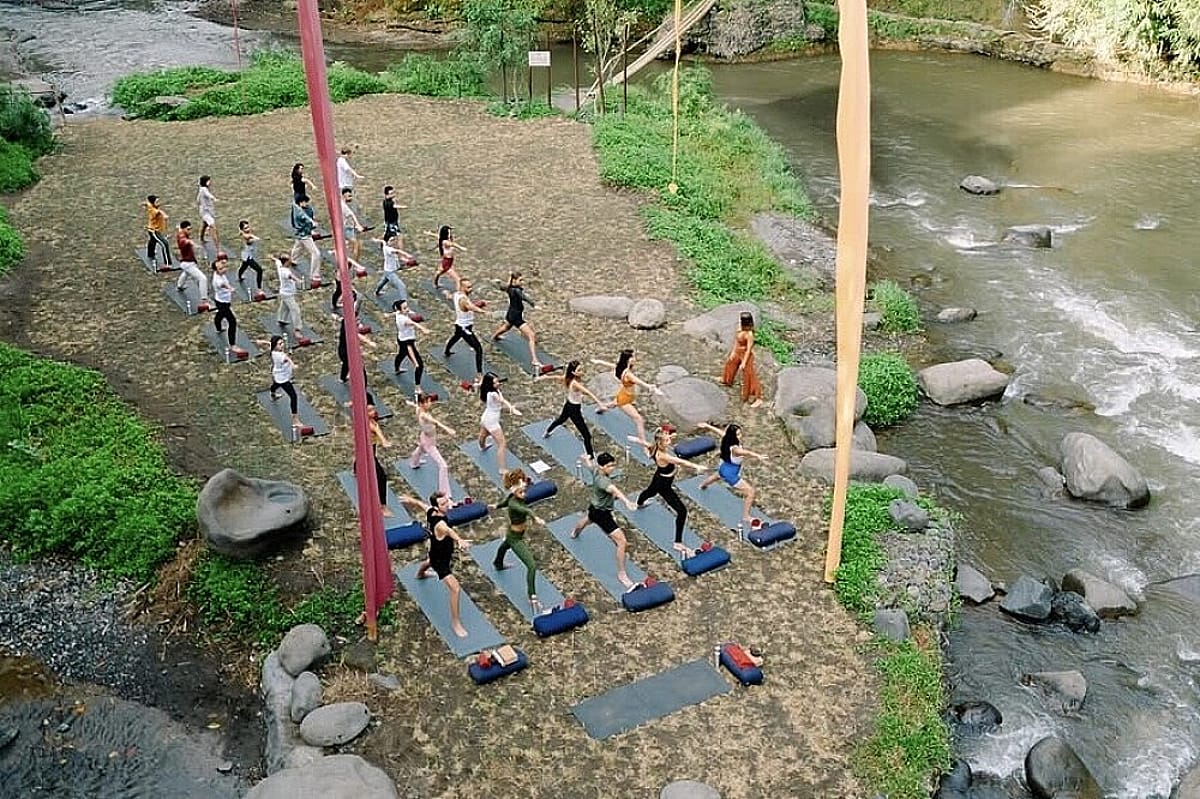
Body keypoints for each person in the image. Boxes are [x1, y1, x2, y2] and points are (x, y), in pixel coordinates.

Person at [401, 492, 473, 638]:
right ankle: (456, 622)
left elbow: (422, 505)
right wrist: (459, 540)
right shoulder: (440, 524)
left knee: (429, 561)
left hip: (436, 551)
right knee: (455, 589)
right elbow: (449, 530)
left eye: (447, 502)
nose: (447, 505)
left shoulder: (432, 511)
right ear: (437, 507)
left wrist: (411, 500)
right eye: (443, 504)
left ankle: (420, 574)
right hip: (442, 561)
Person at [632, 426, 706, 557]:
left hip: (659, 478)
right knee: (682, 512)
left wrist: (637, 440)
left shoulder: (654, 447)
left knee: (650, 492)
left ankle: (639, 503)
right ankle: (677, 542)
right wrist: (697, 466)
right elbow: (681, 461)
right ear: (661, 443)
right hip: (664, 485)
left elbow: (648, 444)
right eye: (667, 440)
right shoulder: (664, 456)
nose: (669, 441)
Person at [571, 452, 638, 589]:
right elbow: (615, 490)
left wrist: (585, 459)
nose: (612, 468)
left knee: (587, 519)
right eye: (609, 466)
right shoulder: (603, 481)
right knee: (621, 542)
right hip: (603, 514)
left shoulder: (596, 470)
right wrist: (627, 502)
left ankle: (574, 533)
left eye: (613, 465)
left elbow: (590, 466)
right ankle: (622, 574)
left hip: (595, 508)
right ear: (602, 467)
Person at [492, 470, 548, 615]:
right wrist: (536, 518)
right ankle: (532, 595)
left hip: (515, 533)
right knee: (532, 565)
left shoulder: (512, 496)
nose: (525, 494)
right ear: (515, 491)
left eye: (525, 491)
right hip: (515, 537)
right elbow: (525, 510)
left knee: (505, 546)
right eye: (521, 492)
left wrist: (494, 506)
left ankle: (497, 563)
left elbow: (504, 502)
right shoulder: (514, 504)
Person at [698, 422, 768, 529]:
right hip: (730, 474)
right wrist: (758, 456)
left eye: (740, 433)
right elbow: (746, 452)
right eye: (738, 434)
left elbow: (719, 432)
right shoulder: (735, 449)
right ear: (733, 436)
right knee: (751, 492)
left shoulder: (727, 439)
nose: (741, 436)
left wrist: (708, 426)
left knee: (718, 475)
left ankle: (702, 485)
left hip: (724, 467)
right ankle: (746, 516)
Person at [592, 349, 661, 452]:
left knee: (615, 403)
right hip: (625, 399)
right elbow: (642, 383)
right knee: (639, 420)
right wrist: (652, 388)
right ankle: (644, 446)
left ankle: (600, 409)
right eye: (633, 357)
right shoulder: (628, 374)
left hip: (624, 393)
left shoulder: (621, 368)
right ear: (628, 359)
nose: (635, 359)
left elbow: (611, 365)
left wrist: (599, 361)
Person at [540, 360, 607, 462]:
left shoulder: (569, 378)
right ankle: (590, 456)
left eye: (581, 369)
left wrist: (546, 377)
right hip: (574, 410)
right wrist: (600, 403)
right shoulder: (575, 383)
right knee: (586, 435)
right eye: (579, 370)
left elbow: (558, 377)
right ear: (573, 372)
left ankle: (547, 432)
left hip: (568, 405)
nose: (582, 371)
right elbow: (588, 392)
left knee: (561, 420)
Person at [407, 391, 455, 500]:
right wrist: (447, 429)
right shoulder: (424, 415)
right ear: (422, 404)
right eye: (428, 402)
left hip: (424, 436)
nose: (430, 403)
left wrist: (410, 404)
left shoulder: (418, 409)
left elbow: (416, 406)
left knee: (420, 449)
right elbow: (436, 422)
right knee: (443, 466)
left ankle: (414, 463)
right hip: (429, 442)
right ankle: (445, 492)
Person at [491, 271, 542, 371]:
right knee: (531, 335)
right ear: (514, 280)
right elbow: (525, 297)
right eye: (520, 280)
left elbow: (502, 286)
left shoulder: (509, 288)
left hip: (511, 313)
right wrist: (534, 305)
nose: (522, 282)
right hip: (516, 317)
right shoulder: (516, 291)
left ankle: (494, 336)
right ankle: (534, 360)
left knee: (506, 327)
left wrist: (497, 281)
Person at [443, 277, 486, 386]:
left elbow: (451, 296)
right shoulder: (463, 300)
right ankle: (479, 375)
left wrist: (446, 293)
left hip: (459, 325)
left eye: (471, 286)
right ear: (462, 287)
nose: (471, 289)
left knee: (455, 337)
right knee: (478, 349)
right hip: (465, 328)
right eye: (468, 287)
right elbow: (469, 306)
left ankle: (447, 350)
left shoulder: (457, 294)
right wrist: (482, 311)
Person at [478, 372, 521, 473]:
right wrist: (512, 408)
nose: (498, 383)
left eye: (497, 381)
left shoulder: (488, 389)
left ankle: (482, 446)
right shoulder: (493, 394)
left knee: (483, 434)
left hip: (486, 417)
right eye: (495, 382)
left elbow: (481, 384)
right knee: (502, 444)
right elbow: (502, 401)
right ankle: (502, 469)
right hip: (492, 421)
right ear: (490, 384)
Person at [721, 311, 763, 408]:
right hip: (738, 352)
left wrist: (744, 362)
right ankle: (726, 379)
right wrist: (733, 352)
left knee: (750, 375)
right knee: (730, 364)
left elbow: (749, 349)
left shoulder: (749, 334)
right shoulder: (740, 330)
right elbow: (737, 342)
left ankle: (758, 397)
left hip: (745, 355)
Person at [210, 254, 244, 358]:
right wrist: (231, 288)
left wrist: (223, 261)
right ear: (216, 270)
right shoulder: (218, 281)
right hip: (222, 302)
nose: (224, 269)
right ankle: (232, 345)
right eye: (221, 269)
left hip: (222, 301)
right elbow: (225, 285)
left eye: (224, 267)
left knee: (220, 315)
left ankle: (218, 327)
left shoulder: (219, 273)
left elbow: (222, 263)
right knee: (232, 321)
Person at [391, 298, 429, 388]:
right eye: (404, 308)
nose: (407, 309)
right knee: (419, 365)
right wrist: (423, 329)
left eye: (407, 307)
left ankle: (397, 369)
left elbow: (394, 313)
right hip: (407, 343)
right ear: (399, 309)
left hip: (401, 339)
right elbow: (413, 323)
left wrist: (387, 315)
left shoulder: (398, 313)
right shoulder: (403, 319)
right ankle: (417, 387)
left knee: (401, 354)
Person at [268, 335, 302, 432]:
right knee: (293, 396)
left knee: (276, 385)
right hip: (283, 378)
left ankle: (272, 393)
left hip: (278, 374)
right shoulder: (279, 355)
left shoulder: (273, 350)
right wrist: (293, 365)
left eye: (282, 343)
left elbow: (269, 343)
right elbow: (287, 358)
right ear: (275, 346)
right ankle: (295, 419)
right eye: (280, 344)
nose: (282, 345)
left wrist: (261, 342)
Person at [174, 221, 210, 308]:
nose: (190, 231)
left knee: (186, 273)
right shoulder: (182, 238)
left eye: (190, 229)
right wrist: (191, 242)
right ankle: (204, 300)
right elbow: (183, 241)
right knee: (203, 278)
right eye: (188, 229)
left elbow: (180, 230)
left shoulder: (181, 232)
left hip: (188, 263)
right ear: (183, 229)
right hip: (188, 263)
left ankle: (179, 286)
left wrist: (179, 227)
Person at [290, 194, 323, 287]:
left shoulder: (307, 208)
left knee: (298, 247)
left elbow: (310, 216)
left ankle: (293, 259)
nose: (305, 203)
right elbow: (304, 217)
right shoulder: (298, 212)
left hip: (303, 233)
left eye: (306, 201)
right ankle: (314, 274)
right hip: (304, 235)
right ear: (299, 203)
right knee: (316, 253)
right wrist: (312, 223)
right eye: (303, 202)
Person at [366, 405, 392, 517]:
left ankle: (356, 469)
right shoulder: (370, 424)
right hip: (368, 453)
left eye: (373, 409)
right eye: (370, 410)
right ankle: (383, 506)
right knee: (382, 477)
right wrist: (384, 441)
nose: (373, 411)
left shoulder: (372, 421)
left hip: (371, 450)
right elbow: (377, 431)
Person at [372, 232, 412, 299]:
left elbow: (382, 241)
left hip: (387, 270)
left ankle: (376, 292)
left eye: (393, 240)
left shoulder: (385, 245)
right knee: (402, 287)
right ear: (387, 241)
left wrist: (376, 240)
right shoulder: (388, 249)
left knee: (383, 281)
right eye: (391, 240)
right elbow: (397, 251)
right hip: (390, 272)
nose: (393, 242)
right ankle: (404, 303)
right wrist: (407, 255)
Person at [428, 225, 464, 290]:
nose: (450, 234)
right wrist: (461, 247)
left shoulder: (445, 239)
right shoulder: (445, 241)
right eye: (448, 233)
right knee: (457, 279)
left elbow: (437, 236)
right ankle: (459, 292)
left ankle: (435, 284)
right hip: (447, 262)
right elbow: (453, 244)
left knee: (439, 272)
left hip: (448, 261)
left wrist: (430, 234)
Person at [275, 255, 304, 334]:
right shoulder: (285, 271)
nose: (290, 261)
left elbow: (277, 260)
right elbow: (291, 276)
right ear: (285, 262)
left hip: (284, 292)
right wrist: (298, 281)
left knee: (284, 307)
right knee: (295, 310)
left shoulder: (279, 264)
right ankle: (297, 328)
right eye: (289, 260)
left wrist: (273, 258)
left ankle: (281, 319)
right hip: (287, 294)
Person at [142, 195, 171, 270]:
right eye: (157, 201)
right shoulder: (154, 211)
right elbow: (159, 212)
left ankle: (150, 254)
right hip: (154, 231)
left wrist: (145, 203)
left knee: (152, 241)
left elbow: (148, 203)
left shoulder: (150, 206)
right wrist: (164, 215)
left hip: (151, 229)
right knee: (165, 244)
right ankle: (168, 264)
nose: (158, 203)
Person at [237, 219, 263, 292]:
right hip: (247, 257)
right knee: (259, 270)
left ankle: (239, 276)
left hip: (248, 255)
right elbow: (248, 238)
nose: (248, 229)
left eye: (248, 227)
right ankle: (259, 289)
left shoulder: (245, 233)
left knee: (244, 266)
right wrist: (255, 238)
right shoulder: (245, 236)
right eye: (245, 228)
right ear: (242, 229)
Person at [339, 187, 365, 262]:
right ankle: (354, 264)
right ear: (344, 196)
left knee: (357, 245)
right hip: (346, 229)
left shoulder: (343, 204)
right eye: (349, 196)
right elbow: (351, 215)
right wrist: (358, 225)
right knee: (356, 244)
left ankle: (352, 262)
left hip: (349, 227)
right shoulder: (343, 206)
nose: (351, 198)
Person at [197, 175, 219, 256]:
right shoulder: (203, 190)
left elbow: (198, 199)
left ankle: (201, 238)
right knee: (213, 227)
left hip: (206, 211)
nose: (210, 182)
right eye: (209, 181)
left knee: (204, 225)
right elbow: (208, 195)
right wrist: (214, 198)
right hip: (206, 212)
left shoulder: (201, 189)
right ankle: (218, 249)